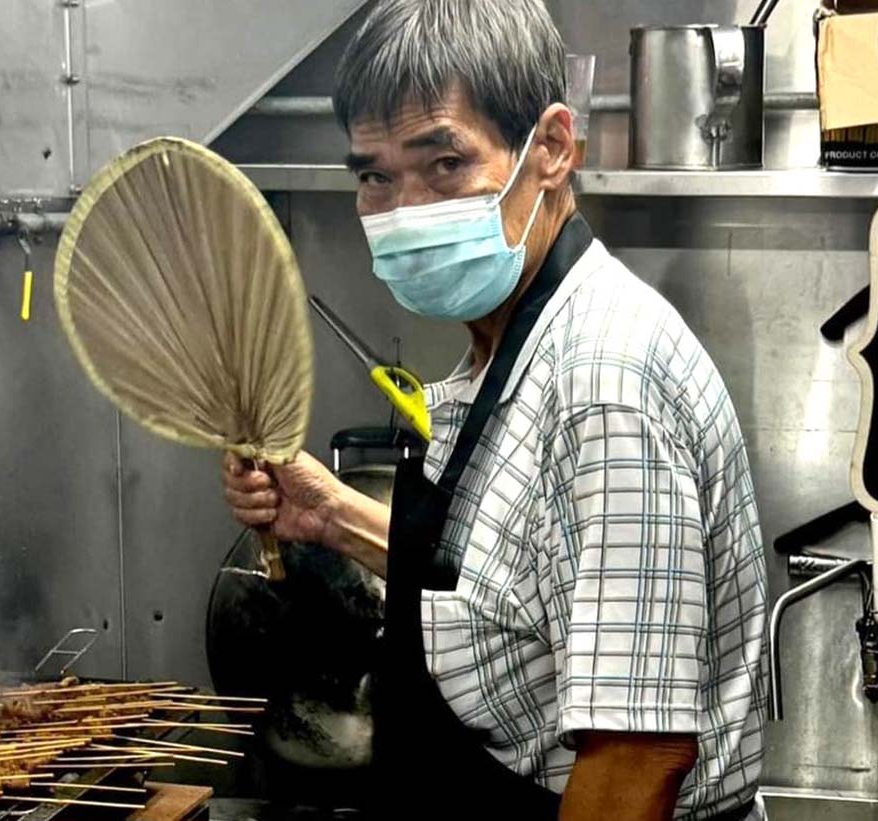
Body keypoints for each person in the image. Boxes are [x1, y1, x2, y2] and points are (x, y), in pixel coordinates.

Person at [223, 1, 769, 819]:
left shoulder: (603, 383)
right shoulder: (510, 342)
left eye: (443, 163)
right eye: (374, 174)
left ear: (550, 147)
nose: (404, 208)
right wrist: (332, 516)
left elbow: (636, 757)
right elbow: (515, 599)